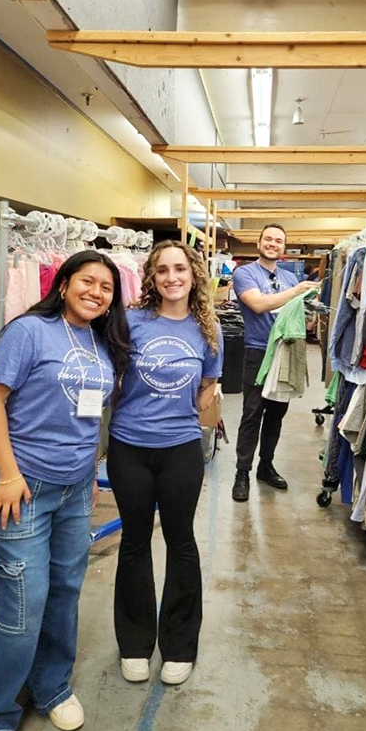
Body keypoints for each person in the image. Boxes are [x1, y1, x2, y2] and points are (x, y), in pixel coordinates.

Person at [0, 250, 129, 731]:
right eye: (88, 281)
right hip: (25, 488)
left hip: (76, 487)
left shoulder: (101, 340)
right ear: (63, 284)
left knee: (64, 592)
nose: (98, 292)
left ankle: (52, 686)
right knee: (20, 605)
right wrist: (10, 474)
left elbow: (92, 416)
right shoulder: (29, 331)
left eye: (107, 287)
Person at [107, 240, 223, 687]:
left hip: (180, 451)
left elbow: (208, 386)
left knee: (181, 542)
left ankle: (179, 645)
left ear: (193, 274)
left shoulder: (207, 330)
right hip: (129, 448)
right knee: (134, 542)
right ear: (152, 279)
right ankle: (135, 643)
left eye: (180, 269)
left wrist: (178, 415)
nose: (172, 277)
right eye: (162, 271)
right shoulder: (131, 322)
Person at [231, 224, 312, 502]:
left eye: (279, 240)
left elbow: (299, 314)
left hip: (286, 351)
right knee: (252, 414)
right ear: (259, 243)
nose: (273, 244)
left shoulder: (289, 277)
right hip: (258, 351)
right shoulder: (244, 273)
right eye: (268, 239)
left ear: (284, 247)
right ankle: (242, 472)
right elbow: (258, 304)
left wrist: (309, 310)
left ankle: (266, 466)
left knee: (276, 414)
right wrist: (298, 291)